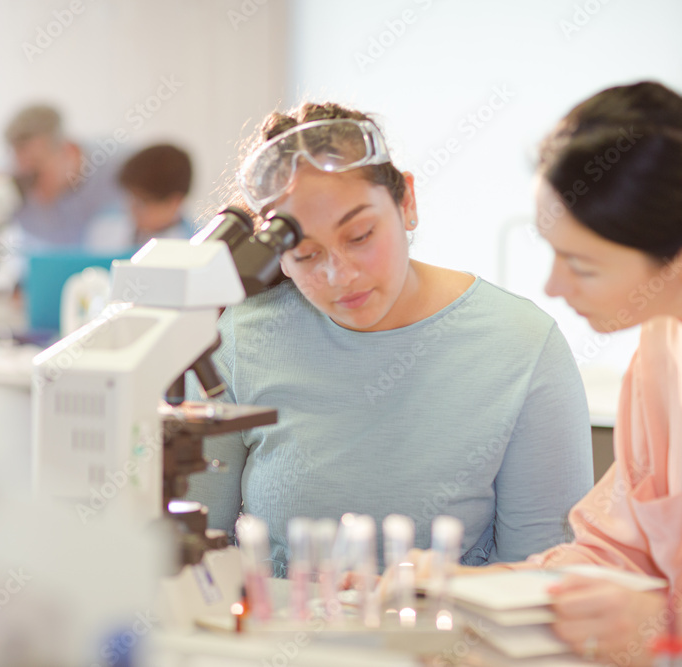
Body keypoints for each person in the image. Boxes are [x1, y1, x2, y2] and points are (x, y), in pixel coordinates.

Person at [184, 102, 595, 576]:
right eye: (306, 254)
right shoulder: (237, 341)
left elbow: (541, 575)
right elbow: (198, 556)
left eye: (359, 235)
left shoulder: (522, 345)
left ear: (407, 203)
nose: (339, 275)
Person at [478, 81, 682, 665]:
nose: (552, 288)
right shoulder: (660, 352)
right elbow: (615, 550)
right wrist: (470, 589)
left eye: (582, 266)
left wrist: (663, 633)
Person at [3, 104, 128, 249]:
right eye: (22, 170)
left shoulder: (118, 165)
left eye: (36, 168)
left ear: (68, 150)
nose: (29, 182)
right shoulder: (10, 182)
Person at [117, 143, 197, 246]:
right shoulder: (104, 229)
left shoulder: (195, 244)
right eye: (131, 197)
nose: (132, 208)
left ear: (174, 202)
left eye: (142, 202)